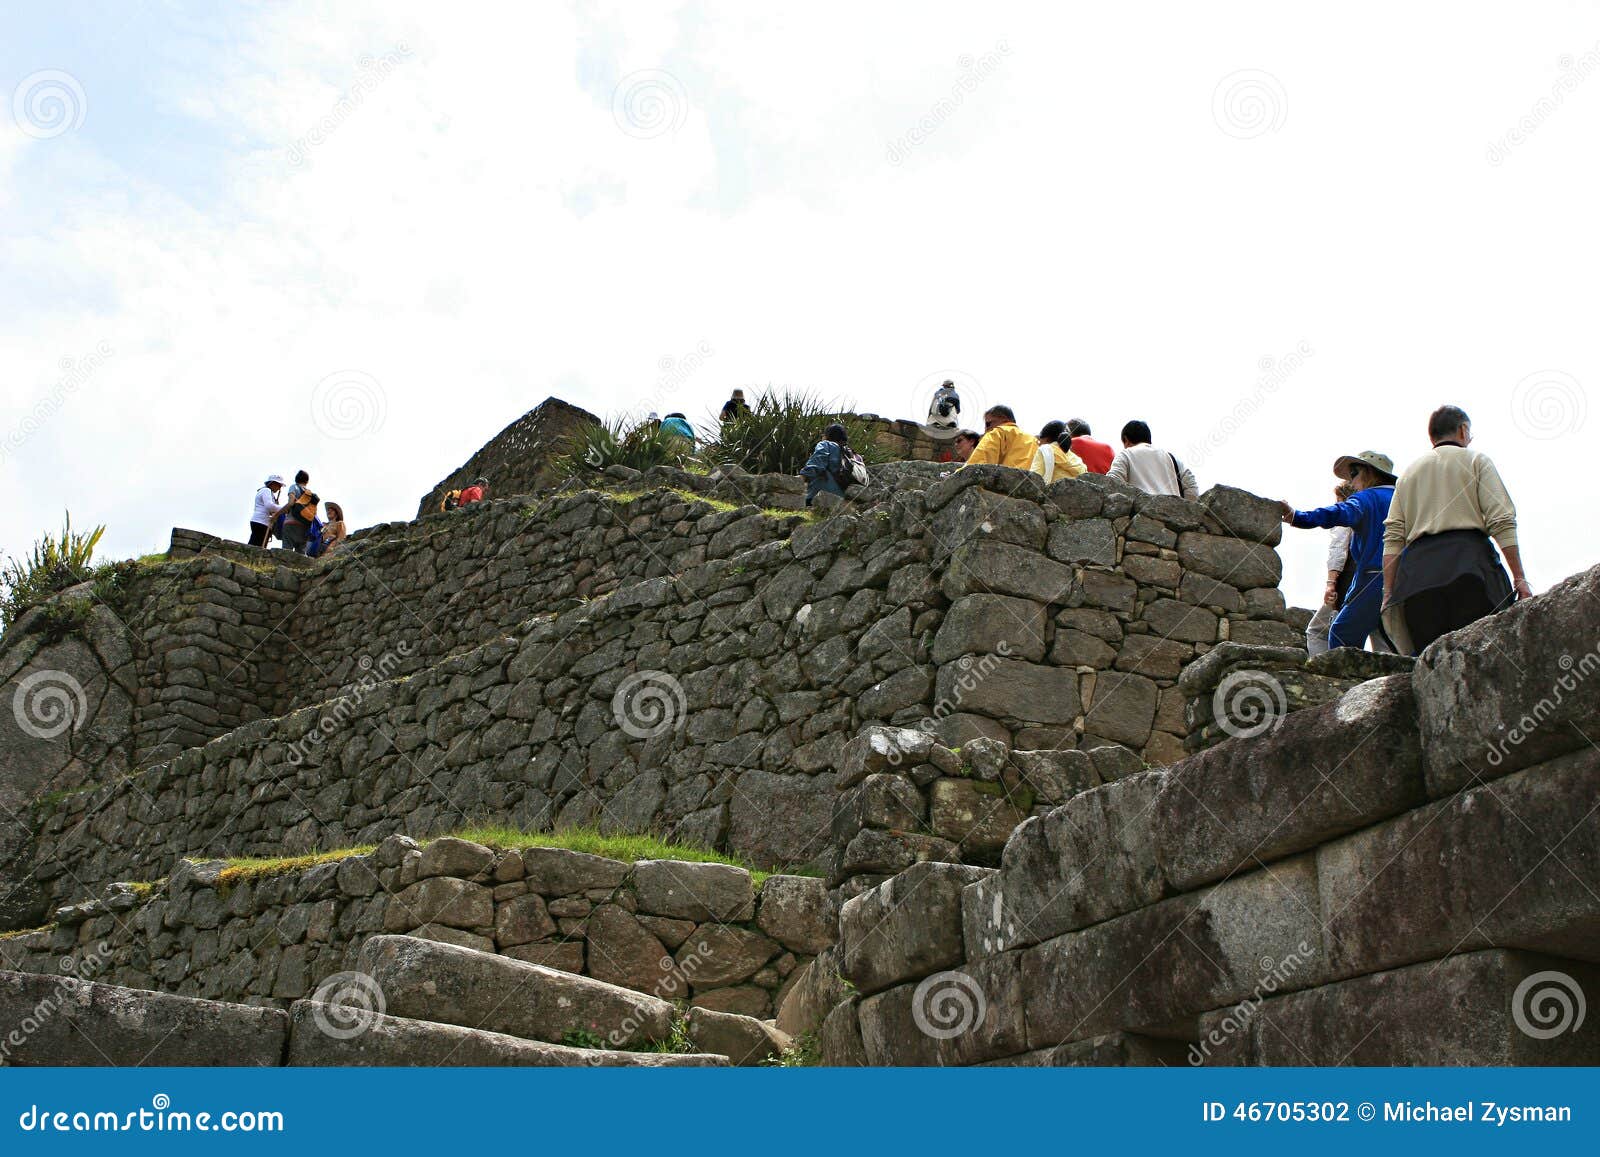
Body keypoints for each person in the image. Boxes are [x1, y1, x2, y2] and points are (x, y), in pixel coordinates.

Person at [1381, 405, 1530, 655]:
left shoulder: (1408, 474)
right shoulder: (1476, 460)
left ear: (1432, 436)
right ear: (1462, 430)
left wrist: (1388, 592)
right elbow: (1501, 520)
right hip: (1469, 568)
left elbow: (1393, 537)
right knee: (1483, 657)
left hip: (1417, 580)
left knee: (1430, 663)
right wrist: (1519, 578)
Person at [1279, 452, 1399, 652]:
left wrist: (1298, 517)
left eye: (1353, 473)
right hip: (1408, 578)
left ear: (1370, 473)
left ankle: (1345, 682)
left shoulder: (1366, 498)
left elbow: (1338, 513)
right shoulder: (1402, 497)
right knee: (1395, 643)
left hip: (1373, 578)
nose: (1351, 482)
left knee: (1341, 633)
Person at [1303, 482, 1355, 656]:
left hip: (1348, 580)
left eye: (1338, 500)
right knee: (1378, 631)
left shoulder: (1346, 513)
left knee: (1317, 631)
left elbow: (1338, 548)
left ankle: (1324, 672)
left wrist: (1331, 583)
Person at [1106, 420, 1198, 499]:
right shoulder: (1173, 459)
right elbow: (1192, 489)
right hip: (1175, 515)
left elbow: (1112, 483)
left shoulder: (1126, 454)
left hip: (1140, 515)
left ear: (1126, 439)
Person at [961, 405, 1038, 470]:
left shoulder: (997, 432)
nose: (985, 430)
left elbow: (976, 466)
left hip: (1005, 485)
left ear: (1004, 419)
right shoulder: (1034, 441)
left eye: (988, 424)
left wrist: (955, 475)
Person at [800, 423, 858, 505]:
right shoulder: (853, 455)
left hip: (820, 496)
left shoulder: (826, 444)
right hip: (843, 499)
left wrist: (802, 477)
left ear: (827, 436)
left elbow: (817, 461)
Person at [278, 470, 317, 554]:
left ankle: (283, 567)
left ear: (296, 479)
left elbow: (291, 503)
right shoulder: (310, 494)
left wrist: (276, 515)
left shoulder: (294, 487)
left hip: (290, 524)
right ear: (307, 481)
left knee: (286, 552)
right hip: (304, 526)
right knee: (301, 554)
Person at [250, 474, 285, 547]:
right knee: (257, 544)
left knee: (258, 544)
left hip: (262, 521)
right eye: (278, 485)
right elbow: (269, 506)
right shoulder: (266, 490)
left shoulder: (267, 492)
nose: (279, 488)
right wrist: (284, 509)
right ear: (272, 483)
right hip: (261, 522)